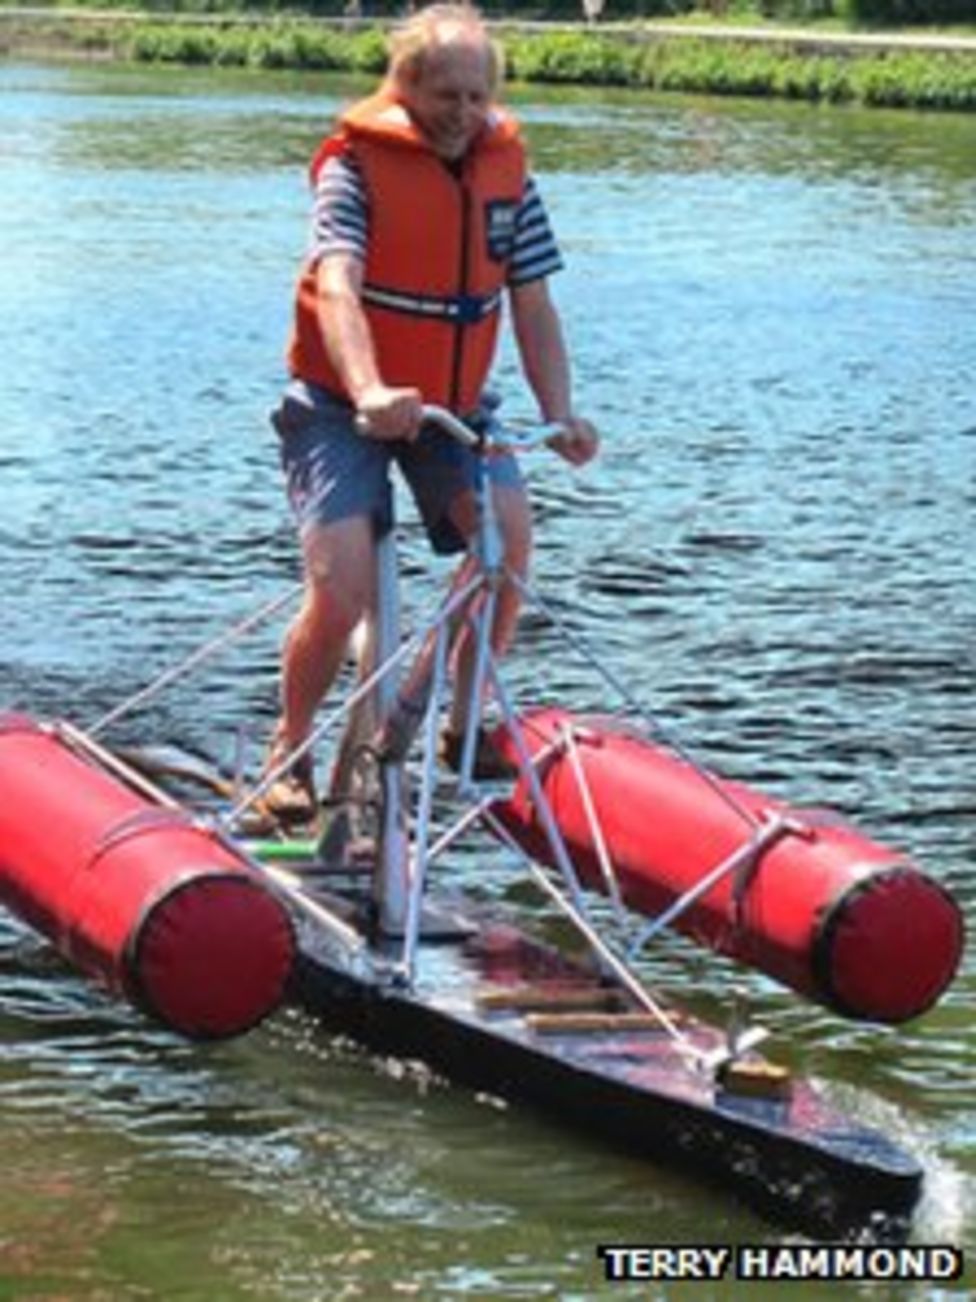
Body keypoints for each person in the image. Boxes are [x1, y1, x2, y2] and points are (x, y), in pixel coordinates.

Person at [267, 2, 598, 820]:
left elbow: (533, 305)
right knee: (341, 587)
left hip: (454, 408)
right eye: (445, 93)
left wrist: (563, 413)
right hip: (342, 404)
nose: (461, 113)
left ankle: (457, 717)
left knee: (506, 543)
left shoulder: (510, 179)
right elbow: (338, 283)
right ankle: (291, 748)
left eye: (476, 96)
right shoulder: (354, 168)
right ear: (405, 86)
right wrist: (372, 389)